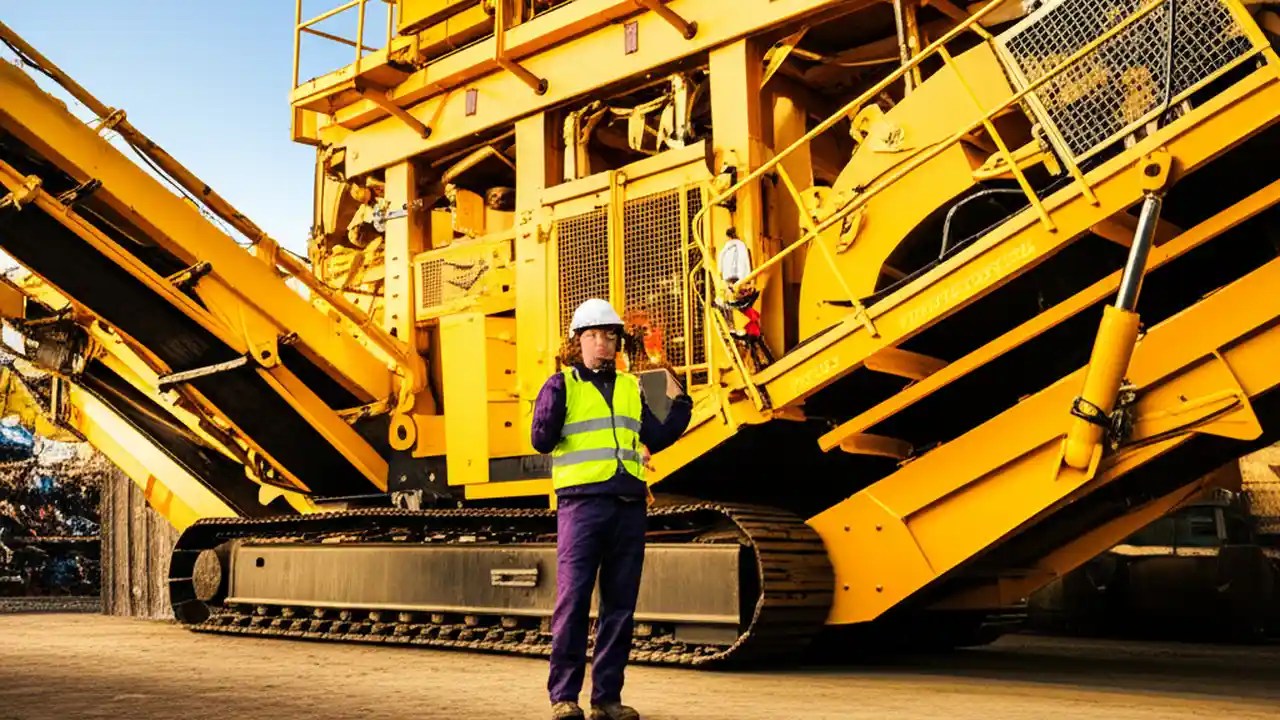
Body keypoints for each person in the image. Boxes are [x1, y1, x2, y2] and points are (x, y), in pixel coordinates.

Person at [531, 298, 693, 720]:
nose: (602, 344)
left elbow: (654, 435)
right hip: (582, 506)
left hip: (628, 504)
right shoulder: (562, 385)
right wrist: (548, 406)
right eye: (593, 336)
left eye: (609, 336)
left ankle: (607, 699)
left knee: (620, 606)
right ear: (578, 342)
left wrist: (682, 406)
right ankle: (564, 698)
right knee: (573, 600)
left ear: (618, 342)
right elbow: (541, 441)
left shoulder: (629, 386)